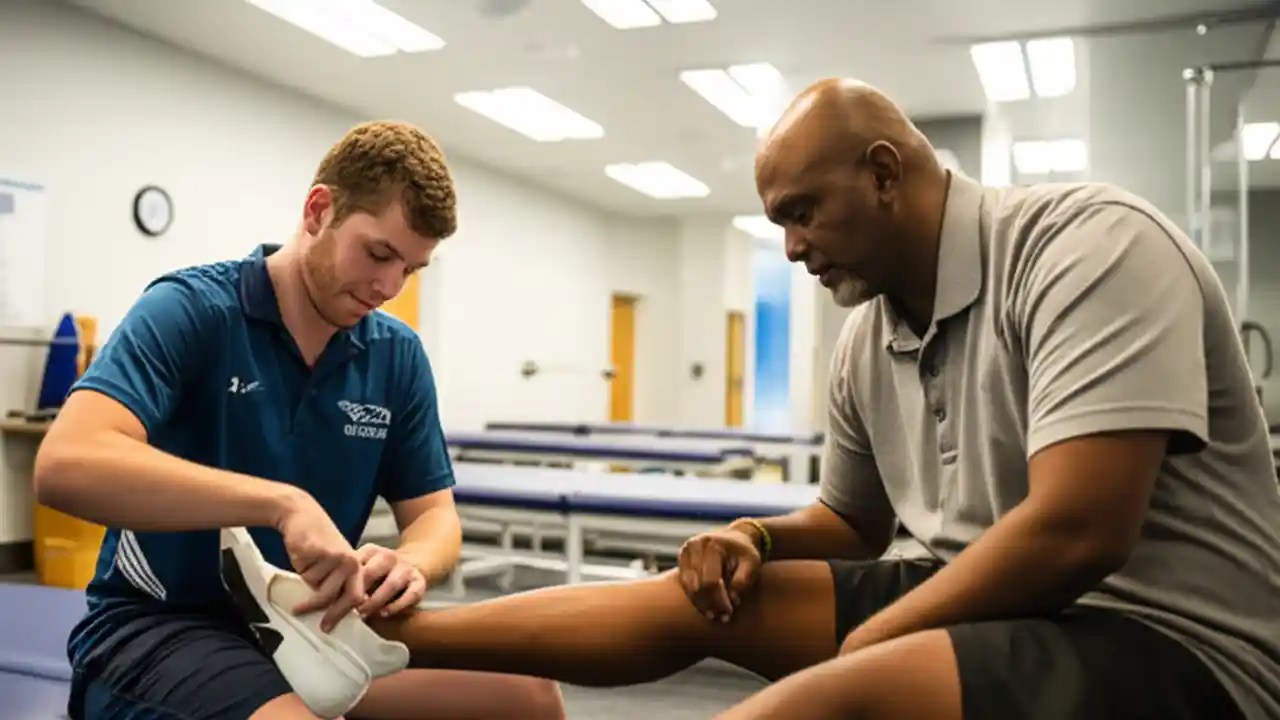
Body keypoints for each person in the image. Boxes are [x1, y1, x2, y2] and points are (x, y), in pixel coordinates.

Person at [355, 78, 1280, 720]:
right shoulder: (867, 340)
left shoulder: (1086, 247)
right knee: (695, 599)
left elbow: (1079, 531)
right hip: (984, 597)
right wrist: (755, 538)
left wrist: (876, 639)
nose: (792, 249)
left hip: (1166, 637)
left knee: (834, 700)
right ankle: (384, 642)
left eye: (802, 212)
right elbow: (852, 520)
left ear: (885, 172)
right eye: (778, 224)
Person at [33, 120, 566, 719]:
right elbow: (65, 464)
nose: (389, 286)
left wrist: (411, 563)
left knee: (525, 699)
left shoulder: (396, 355)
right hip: (161, 628)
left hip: (312, 630)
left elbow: (436, 517)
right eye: (379, 254)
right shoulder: (190, 311)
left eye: (411, 270)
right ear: (318, 210)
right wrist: (280, 504)